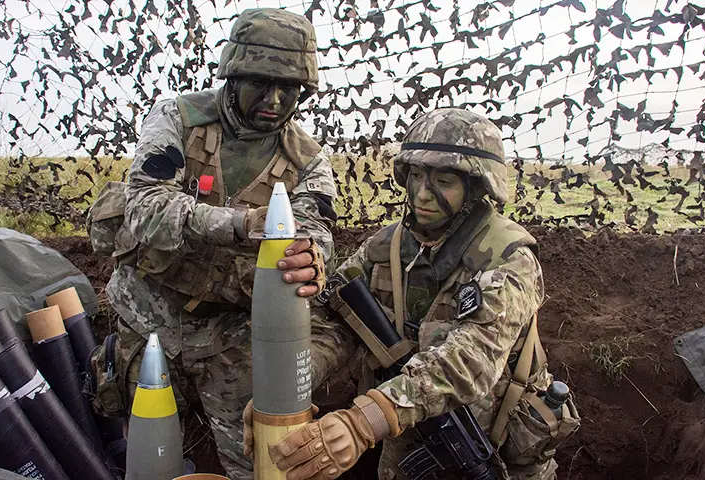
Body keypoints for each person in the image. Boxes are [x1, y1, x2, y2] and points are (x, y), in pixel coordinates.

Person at [243, 108, 580, 480]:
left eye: (444, 181)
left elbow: (469, 361)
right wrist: (287, 388)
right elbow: (333, 324)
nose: (423, 194)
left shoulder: (509, 259)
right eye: (417, 176)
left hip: (492, 452)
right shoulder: (384, 249)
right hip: (402, 448)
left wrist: (364, 421)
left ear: (479, 187)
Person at [86, 8, 337, 480]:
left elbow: (315, 237)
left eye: (291, 88)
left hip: (230, 338)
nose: (275, 98)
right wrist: (237, 225)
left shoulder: (307, 162)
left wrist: (312, 260)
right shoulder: (177, 118)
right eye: (261, 82)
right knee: (134, 451)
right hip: (147, 320)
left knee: (256, 459)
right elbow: (145, 206)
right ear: (233, 73)